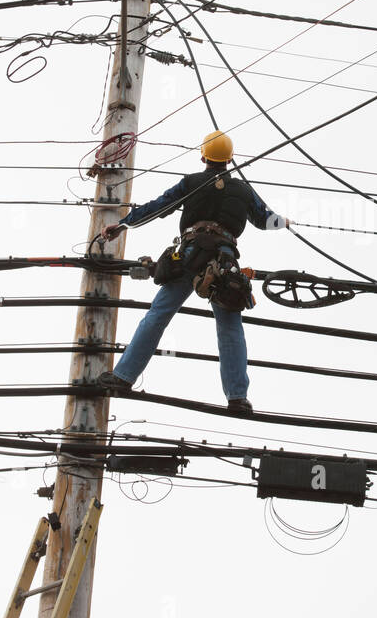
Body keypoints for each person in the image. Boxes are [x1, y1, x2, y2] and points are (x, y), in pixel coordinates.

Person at [98, 130, 288, 412]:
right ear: (230, 160)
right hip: (223, 263)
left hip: (190, 256)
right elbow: (265, 220)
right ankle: (237, 398)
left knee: (158, 315)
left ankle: (123, 378)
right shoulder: (243, 190)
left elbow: (157, 207)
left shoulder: (192, 183)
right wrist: (285, 221)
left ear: (203, 157)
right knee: (229, 328)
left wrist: (123, 225)